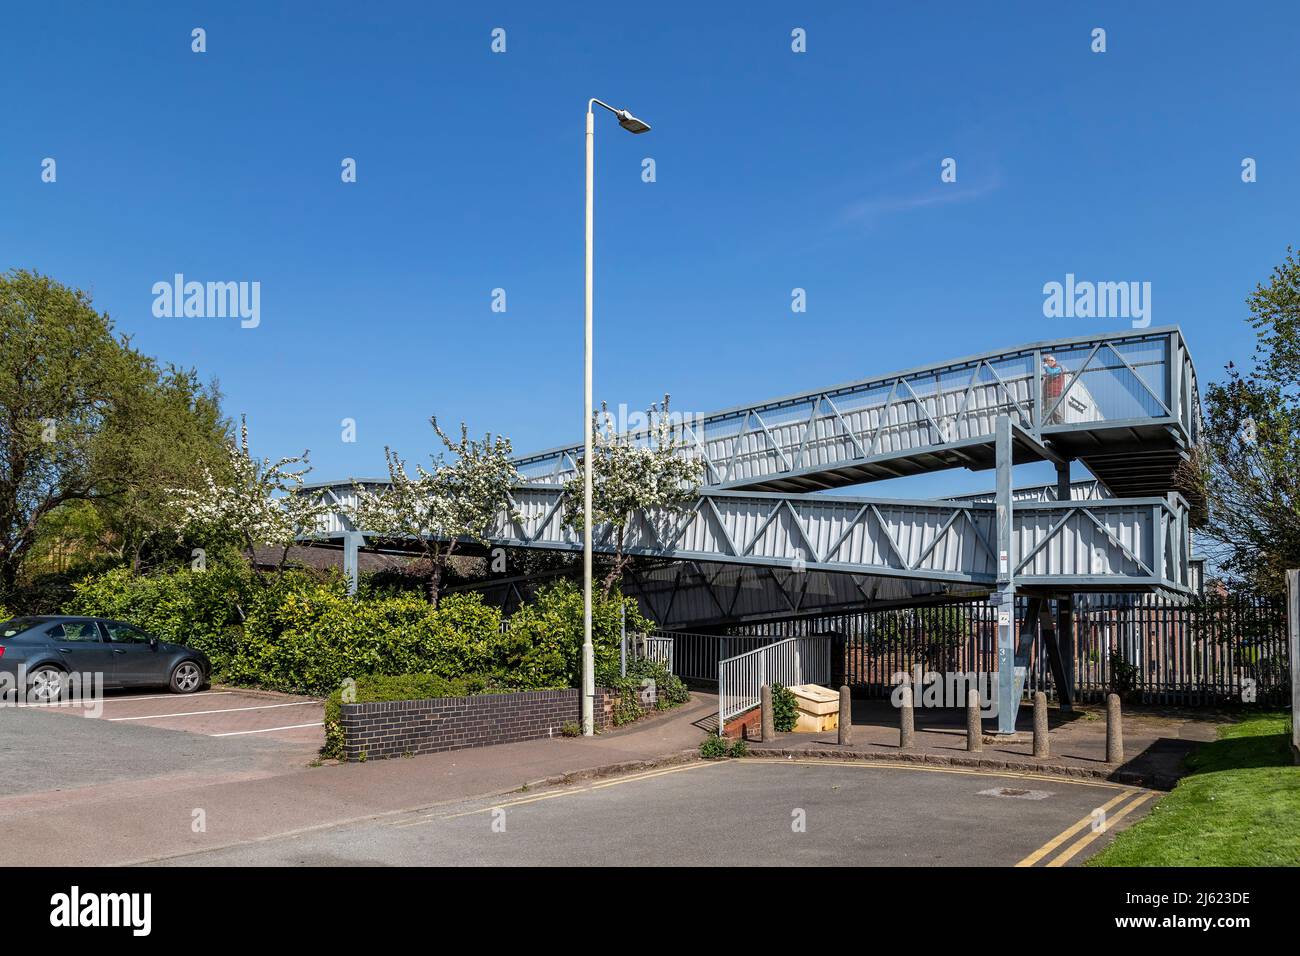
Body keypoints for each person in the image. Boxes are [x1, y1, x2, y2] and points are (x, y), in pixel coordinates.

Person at [1042, 354, 1066, 424]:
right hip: (1048, 394)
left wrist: (1046, 366)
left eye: (1047, 361)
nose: (1046, 363)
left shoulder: (1058, 368)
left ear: (1053, 361)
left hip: (1054, 393)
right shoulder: (1050, 370)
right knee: (1049, 412)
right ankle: (1049, 425)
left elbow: (1052, 373)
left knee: (1054, 411)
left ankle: (1062, 425)